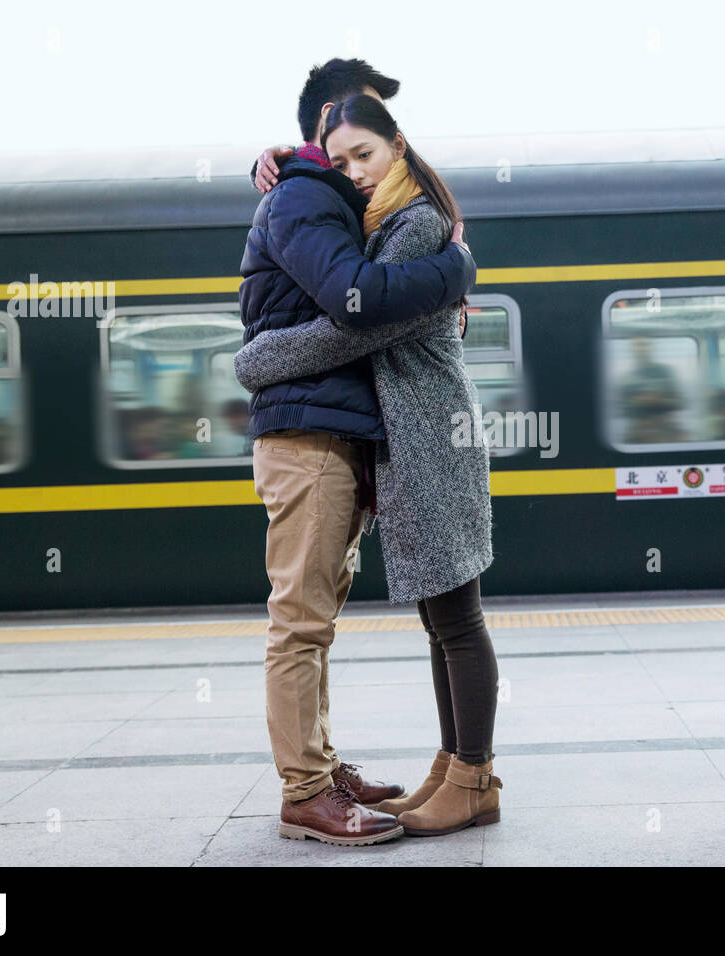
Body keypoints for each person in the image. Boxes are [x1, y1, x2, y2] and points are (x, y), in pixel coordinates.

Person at [235, 93, 502, 838]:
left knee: (455, 619)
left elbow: (354, 323)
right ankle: (454, 770)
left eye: (366, 154)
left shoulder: (415, 226)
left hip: (431, 442)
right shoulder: (384, 219)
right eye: (340, 157)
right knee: (438, 618)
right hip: (415, 440)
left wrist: (255, 359)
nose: (353, 171)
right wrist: (283, 158)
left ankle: (473, 776)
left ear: (398, 145)